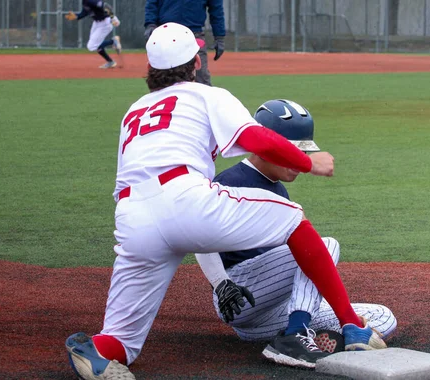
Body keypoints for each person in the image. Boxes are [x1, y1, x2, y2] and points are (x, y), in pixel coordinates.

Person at [64, 22, 386, 380]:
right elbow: (256, 139)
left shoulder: (134, 111)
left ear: (152, 69)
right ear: (196, 63)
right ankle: (352, 327)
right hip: (185, 197)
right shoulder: (205, 95)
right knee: (294, 220)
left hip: (132, 217)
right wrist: (309, 162)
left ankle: (96, 350)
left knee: (121, 341)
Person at [195, 99, 397, 369]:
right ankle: (298, 332)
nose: (297, 162)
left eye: (302, 153)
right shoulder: (230, 182)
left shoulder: (277, 188)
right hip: (238, 295)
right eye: (289, 152)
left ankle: (302, 334)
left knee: (383, 317)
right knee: (324, 246)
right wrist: (220, 283)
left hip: (262, 318)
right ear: (262, 146)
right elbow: (197, 236)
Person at [143, 0, 225, 86]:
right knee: (162, 78)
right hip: (167, 33)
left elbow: (216, 8)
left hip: (193, 34)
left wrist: (219, 36)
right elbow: (152, 3)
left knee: (201, 80)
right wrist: (150, 23)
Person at [65, 0, 122, 69]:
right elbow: (83, 13)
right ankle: (110, 62)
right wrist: (76, 16)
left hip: (105, 23)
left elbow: (107, 6)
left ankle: (113, 41)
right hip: (96, 23)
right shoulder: (85, 2)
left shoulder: (91, 0)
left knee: (91, 46)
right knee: (95, 45)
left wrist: (113, 18)